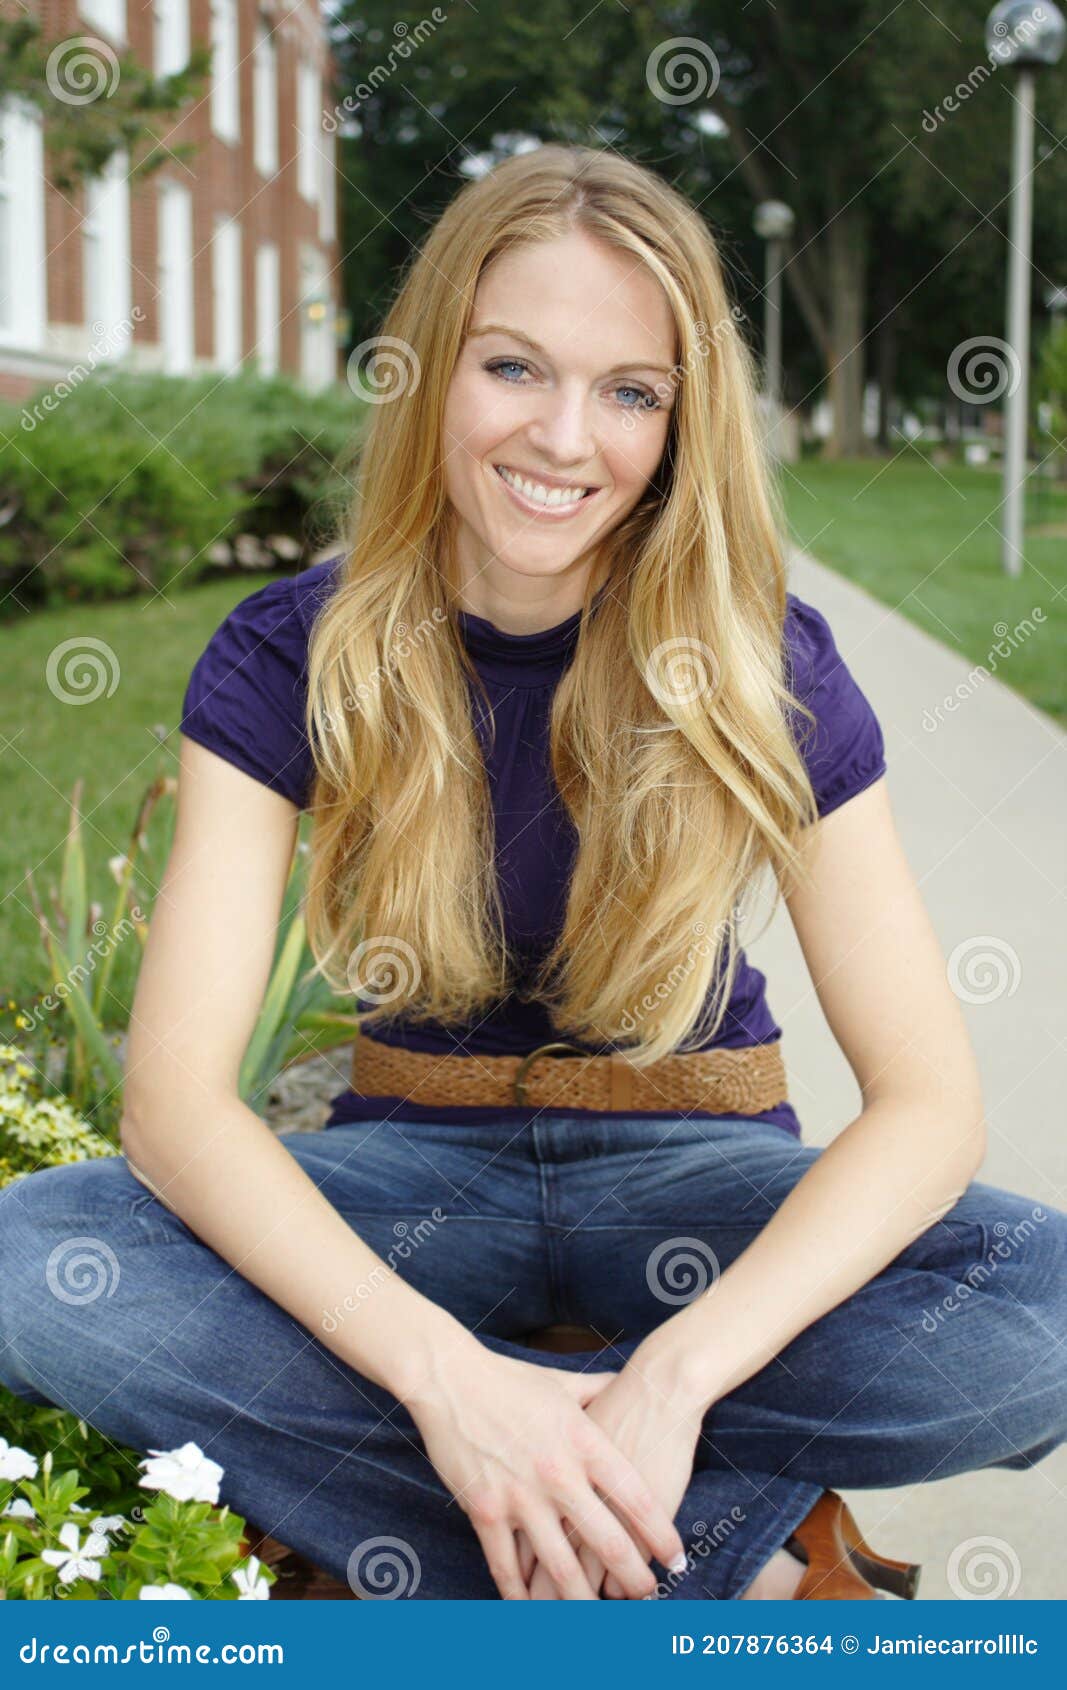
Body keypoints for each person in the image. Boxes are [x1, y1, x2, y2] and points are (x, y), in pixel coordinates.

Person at [2, 144, 1065, 1603]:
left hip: (699, 1173)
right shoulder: (285, 652)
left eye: (632, 390)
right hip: (410, 1178)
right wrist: (454, 1385)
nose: (568, 437)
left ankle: (515, 1511)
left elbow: (933, 1106)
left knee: (1043, 1307)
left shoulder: (762, 661)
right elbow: (176, 1107)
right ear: (431, 368)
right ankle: (703, 1550)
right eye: (515, 367)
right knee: (31, 1255)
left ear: (683, 425)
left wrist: (674, 1379)